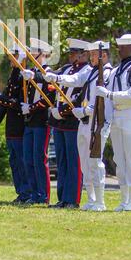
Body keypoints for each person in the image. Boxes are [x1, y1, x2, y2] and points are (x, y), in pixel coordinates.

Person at [47, 41, 113, 211]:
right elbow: (76, 80)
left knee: (95, 162)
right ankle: (91, 199)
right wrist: (57, 78)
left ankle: (99, 201)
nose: (90, 57)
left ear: (103, 55)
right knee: (85, 163)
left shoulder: (107, 74)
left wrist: (85, 110)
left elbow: (102, 101)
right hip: (85, 122)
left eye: (93, 54)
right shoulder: (91, 73)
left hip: (97, 122)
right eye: (89, 54)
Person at [95, 34, 131, 212]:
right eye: (119, 46)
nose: (120, 50)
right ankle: (124, 199)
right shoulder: (118, 69)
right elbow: (107, 93)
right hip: (118, 115)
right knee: (119, 158)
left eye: (124, 47)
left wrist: (109, 95)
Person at [46, 38, 90, 209]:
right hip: (59, 122)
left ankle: (72, 199)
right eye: (70, 53)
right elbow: (51, 76)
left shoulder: (87, 70)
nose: (71, 56)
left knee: (74, 162)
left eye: (74, 53)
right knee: (62, 161)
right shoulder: (67, 68)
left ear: (83, 54)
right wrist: (37, 74)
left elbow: (75, 82)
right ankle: (62, 198)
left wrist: (56, 77)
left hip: (73, 121)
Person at [0, 45, 30, 204]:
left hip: (20, 125)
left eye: (13, 55)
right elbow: (7, 98)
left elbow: (18, 103)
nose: (10, 58)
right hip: (11, 126)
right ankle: (20, 192)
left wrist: (0, 98)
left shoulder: (24, 76)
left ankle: (26, 192)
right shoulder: (14, 74)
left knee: (21, 161)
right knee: (14, 161)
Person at [20, 38, 55, 205]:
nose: (32, 55)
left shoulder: (49, 73)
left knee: (39, 159)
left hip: (42, 121)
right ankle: (34, 194)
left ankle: (44, 195)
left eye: (34, 52)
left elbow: (49, 98)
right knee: (28, 159)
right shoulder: (32, 72)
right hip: (30, 122)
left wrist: (31, 108)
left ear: (43, 54)